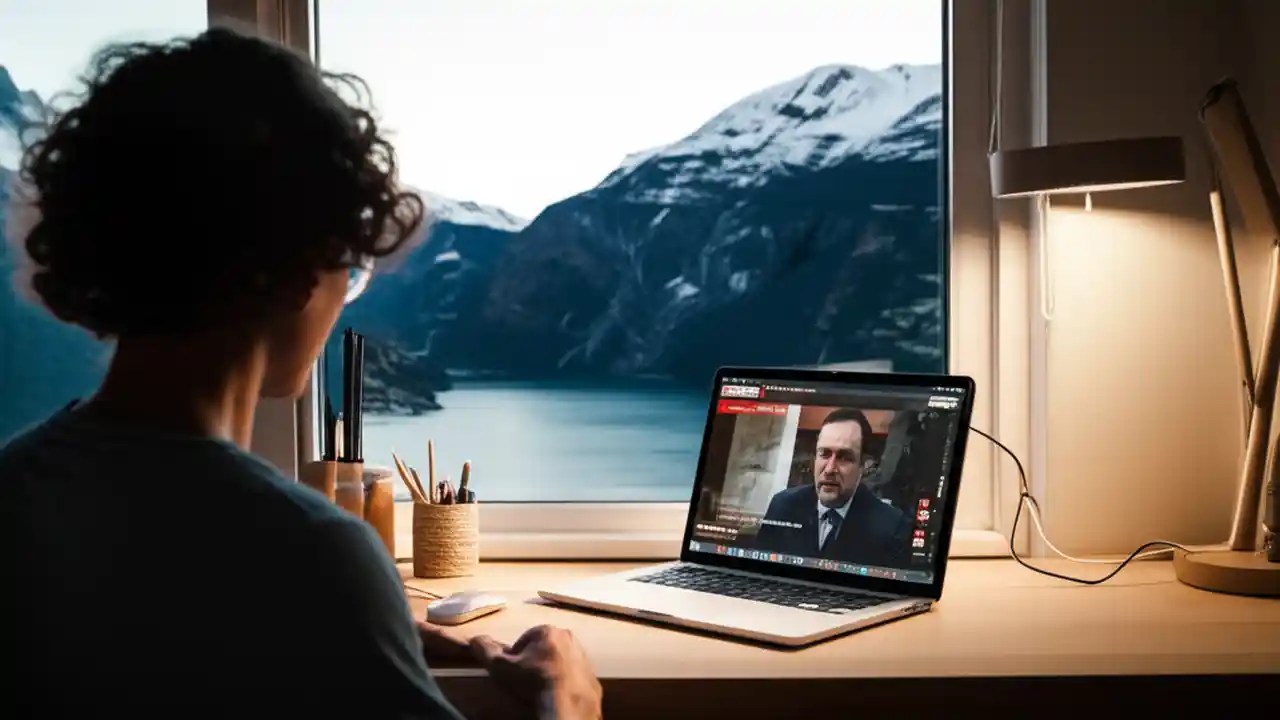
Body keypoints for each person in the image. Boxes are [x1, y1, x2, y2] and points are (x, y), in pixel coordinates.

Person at [0, 28, 602, 718]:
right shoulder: (308, 550)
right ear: (294, 272)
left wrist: (361, 628)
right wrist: (568, 697)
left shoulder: (16, 490)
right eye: (349, 265)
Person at [753, 408, 910, 566]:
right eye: (824, 454)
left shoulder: (892, 527)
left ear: (864, 465)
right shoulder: (783, 506)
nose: (829, 469)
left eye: (844, 457)